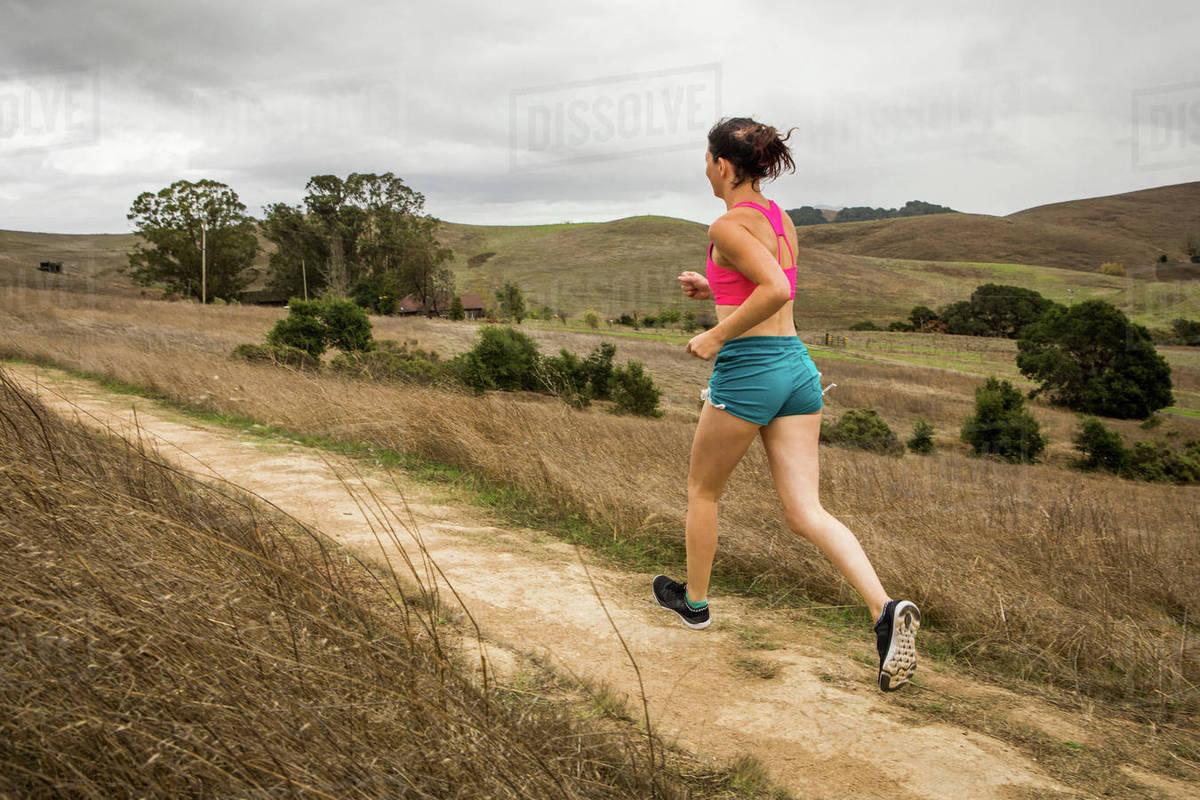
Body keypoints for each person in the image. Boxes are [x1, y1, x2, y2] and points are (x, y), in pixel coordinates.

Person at [651, 116, 920, 692]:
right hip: (797, 369)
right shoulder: (780, 219)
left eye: (706, 159)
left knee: (703, 490)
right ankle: (884, 610)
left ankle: (693, 603)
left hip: (750, 370)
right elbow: (764, 284)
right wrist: (714, 287)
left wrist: (715, 335)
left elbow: (776, 289)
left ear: (722, 165)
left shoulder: (725, 224)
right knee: (805, 512)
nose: (704, 168)